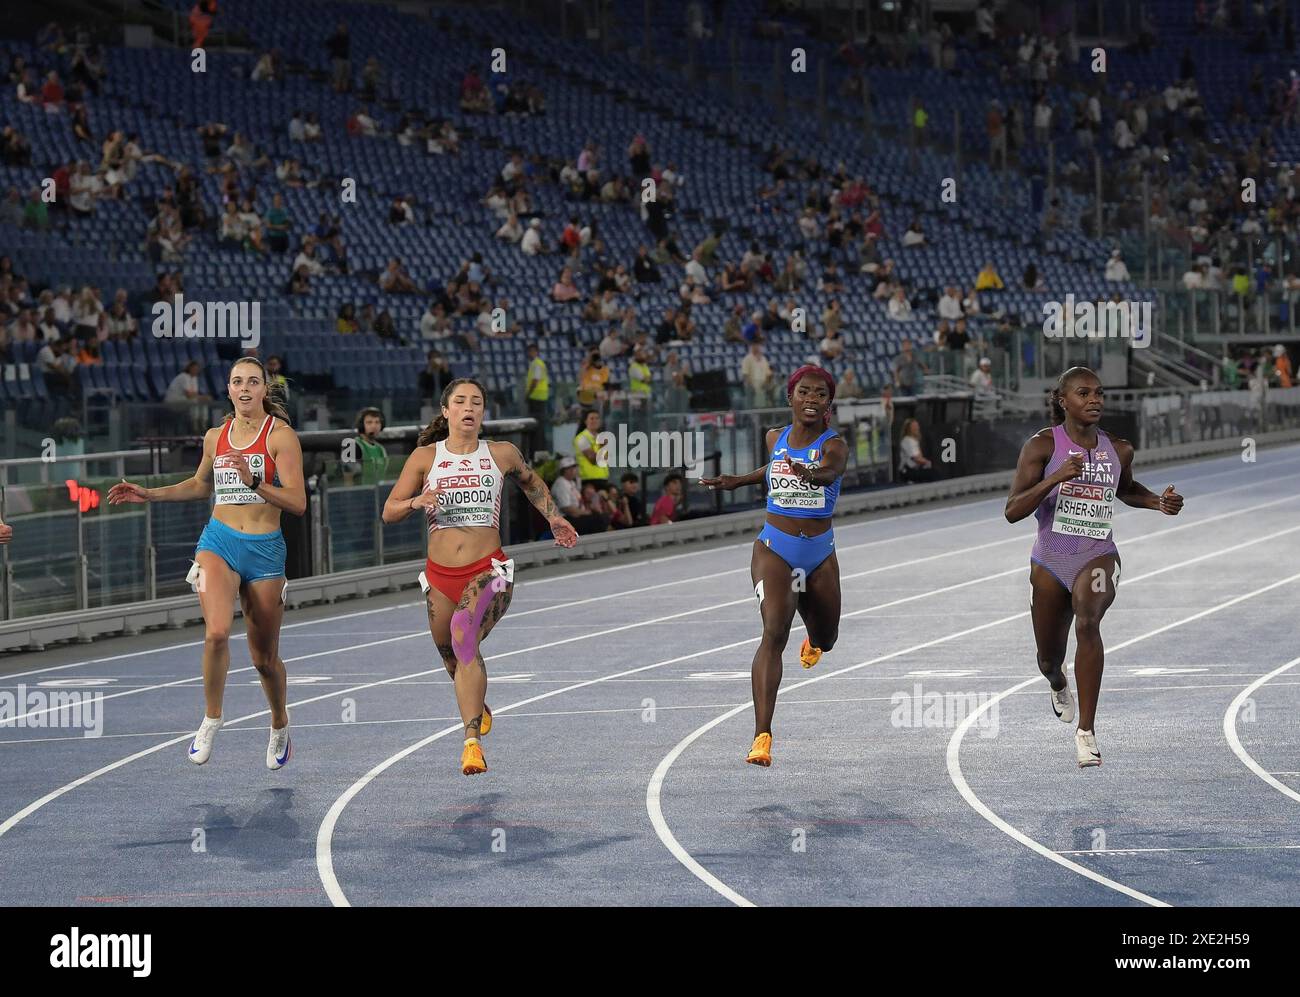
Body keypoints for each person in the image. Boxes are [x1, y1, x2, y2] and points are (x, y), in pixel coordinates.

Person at [108, 357, 305, 769]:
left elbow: (298, 502)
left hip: (266, 549)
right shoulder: (216, 436)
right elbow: (201, 485)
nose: (245, 388)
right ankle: (212, 718)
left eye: (253, 381)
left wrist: (254, 482)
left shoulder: (281, 437)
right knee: (216, 632)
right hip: (220, 540)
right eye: (238, 382)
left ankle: (279, 722)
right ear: (229, 390)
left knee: (264, 661)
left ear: (264, 390)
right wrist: (149, 493)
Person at [383, 379, 578, 774]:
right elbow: (389, 510)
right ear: (446, 411)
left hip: (489, 571)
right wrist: (415, 501)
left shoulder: (501, 453)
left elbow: (531, 481)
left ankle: (471, 743)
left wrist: (553, 515)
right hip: (439, 577)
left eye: (476, 402)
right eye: (460, 401)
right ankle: (475, 700)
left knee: (463, 633)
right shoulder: (425, 458)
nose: (469, 407)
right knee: (451, 654)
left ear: (483, 413)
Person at [1004, 366, 1183, 767]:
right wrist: (1056, 478)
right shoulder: (1042, 447)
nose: (1095, 400)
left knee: (1088, 620)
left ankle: (1086, 732)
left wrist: (1158, 502)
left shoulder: (1118, 450)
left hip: (1098, 554)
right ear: (1063, 401)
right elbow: (1013, 511)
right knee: (1048, 658)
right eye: (1084, 393)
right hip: (1049, 561)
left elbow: (1126, 489)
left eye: (1099, 393)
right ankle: (1058, 682)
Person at [701, 366, 847, 767]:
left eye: (820, 395)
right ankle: (761, 735)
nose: (812, 400)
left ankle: (815, 641)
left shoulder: (835, 445)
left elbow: (830, 471)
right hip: (774, 548)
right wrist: (740, 481)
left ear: (828, 405)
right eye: (805, 392)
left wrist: (811, 474)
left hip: (818, 553)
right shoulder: (774, 438)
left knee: (828, 637)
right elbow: (774, 469)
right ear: (791, 398)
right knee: (773, 629)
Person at [574, 408, 610, 489]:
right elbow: (593, 459)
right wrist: (603, 446)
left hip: (603, 478)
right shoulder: (582, 438)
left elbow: (606, 459)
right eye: (591, 418)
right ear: (585, 421)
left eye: (597, 418)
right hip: (589, 480)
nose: (595, 421)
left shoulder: (600, 437)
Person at [524, 343, 549, 456]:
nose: (530, 354)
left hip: (536, 399)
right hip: (538, 399)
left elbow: (535, 380)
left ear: (536, 352)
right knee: (537, 426)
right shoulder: (535, 364)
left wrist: (528, 394)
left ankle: (537, 451)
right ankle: (537, 450)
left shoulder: (537, 364)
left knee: (537, 427)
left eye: (532, 351)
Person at [351, 407, 388, 484]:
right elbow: (348, 477)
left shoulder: (381, 449)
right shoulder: (352, 445)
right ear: (361, 425)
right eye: (369, 422)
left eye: (377, 422)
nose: (374, 426)